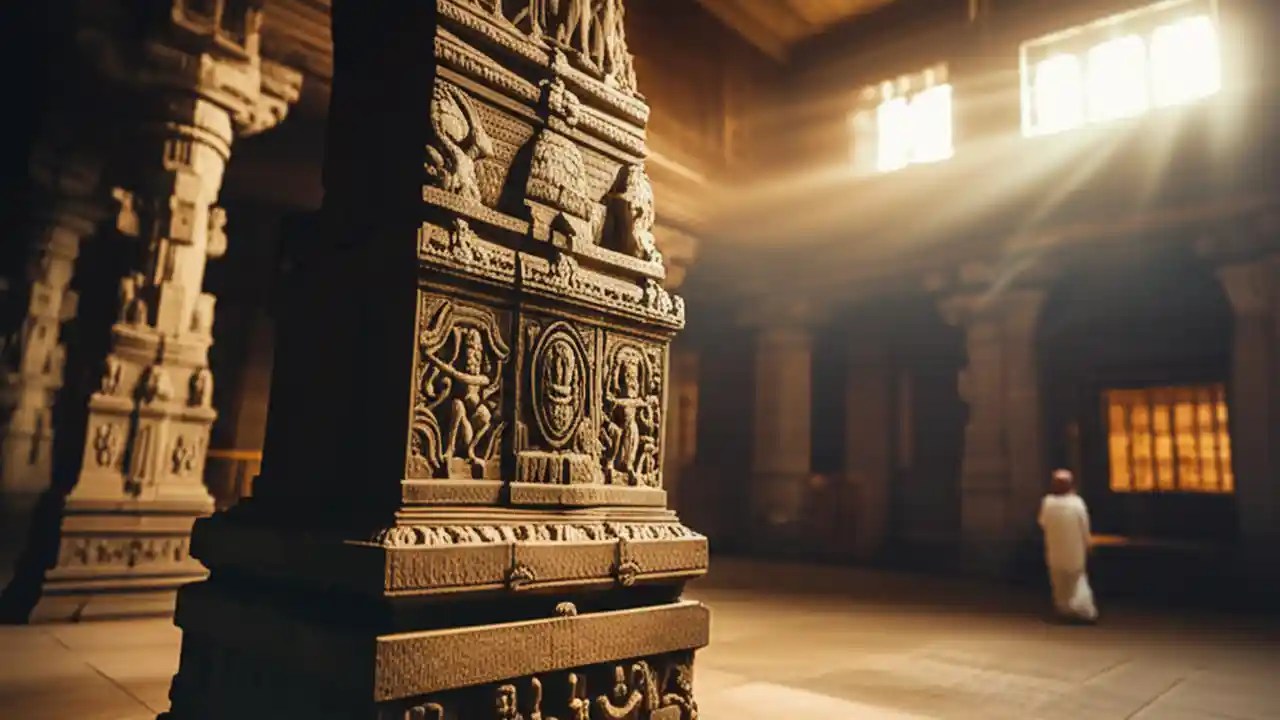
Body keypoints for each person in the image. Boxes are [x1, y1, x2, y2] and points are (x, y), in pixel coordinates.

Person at [1038, 469, 1098, 623]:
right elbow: (1084, 526)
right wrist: (1088, 543)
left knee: (1060, 582)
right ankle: (1082, 611)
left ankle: (1065, 610)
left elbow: (1042, 523)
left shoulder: (1048, 503)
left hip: (1056, 549)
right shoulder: (1076, 502)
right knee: (1076, 581)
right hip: (1074, 549)